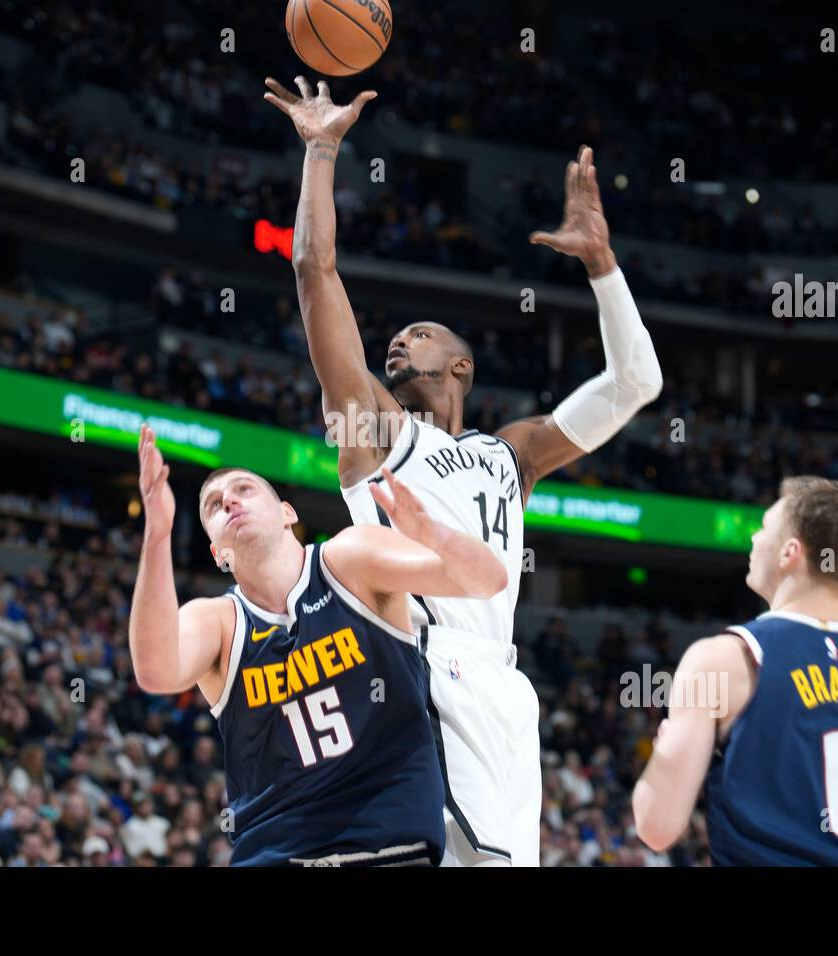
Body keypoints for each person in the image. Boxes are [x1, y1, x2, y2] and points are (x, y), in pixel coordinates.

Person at [263, 77, 663, 865]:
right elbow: (315, 273)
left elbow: (636, 384)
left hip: (504, 693)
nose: (398, 343)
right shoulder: (376, 431)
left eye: (418, 333)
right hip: (420, 668)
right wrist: (319, 152)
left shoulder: (509, 455)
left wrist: (604, 267)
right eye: (395, 339)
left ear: (461, 364)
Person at [128, 425, 508, 866]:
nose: (229, 500)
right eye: (214, 505)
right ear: (217, 552)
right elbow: (154, 671)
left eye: (244, 489)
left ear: (287, 512)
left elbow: (487, 581)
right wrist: (157, 535)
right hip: (273, 856)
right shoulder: (218, 621)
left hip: (386, 849)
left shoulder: (349, 560)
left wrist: (431, 532)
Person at [632, 477, 838, 865]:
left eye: (763, 528)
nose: (755, 539)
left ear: (789, 552)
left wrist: (666, 748)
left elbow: (657, 827)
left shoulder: (725, 658)